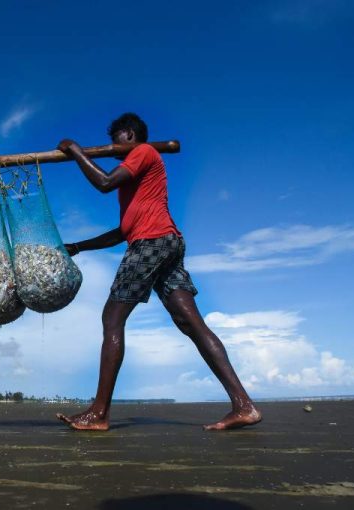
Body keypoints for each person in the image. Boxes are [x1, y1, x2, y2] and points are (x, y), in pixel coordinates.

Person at [55, 113, 261, 431]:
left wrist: (75, 149)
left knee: (112, 319)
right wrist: (80, 247)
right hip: (167, 243)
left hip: (152, 244)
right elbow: (124, 231)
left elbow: (104, 183)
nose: (113, 147)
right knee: (190, 322)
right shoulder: (137, 185)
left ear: (128, 134)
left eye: (115, 140)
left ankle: (98, 413)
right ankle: (243, 406)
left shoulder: (144, 152)